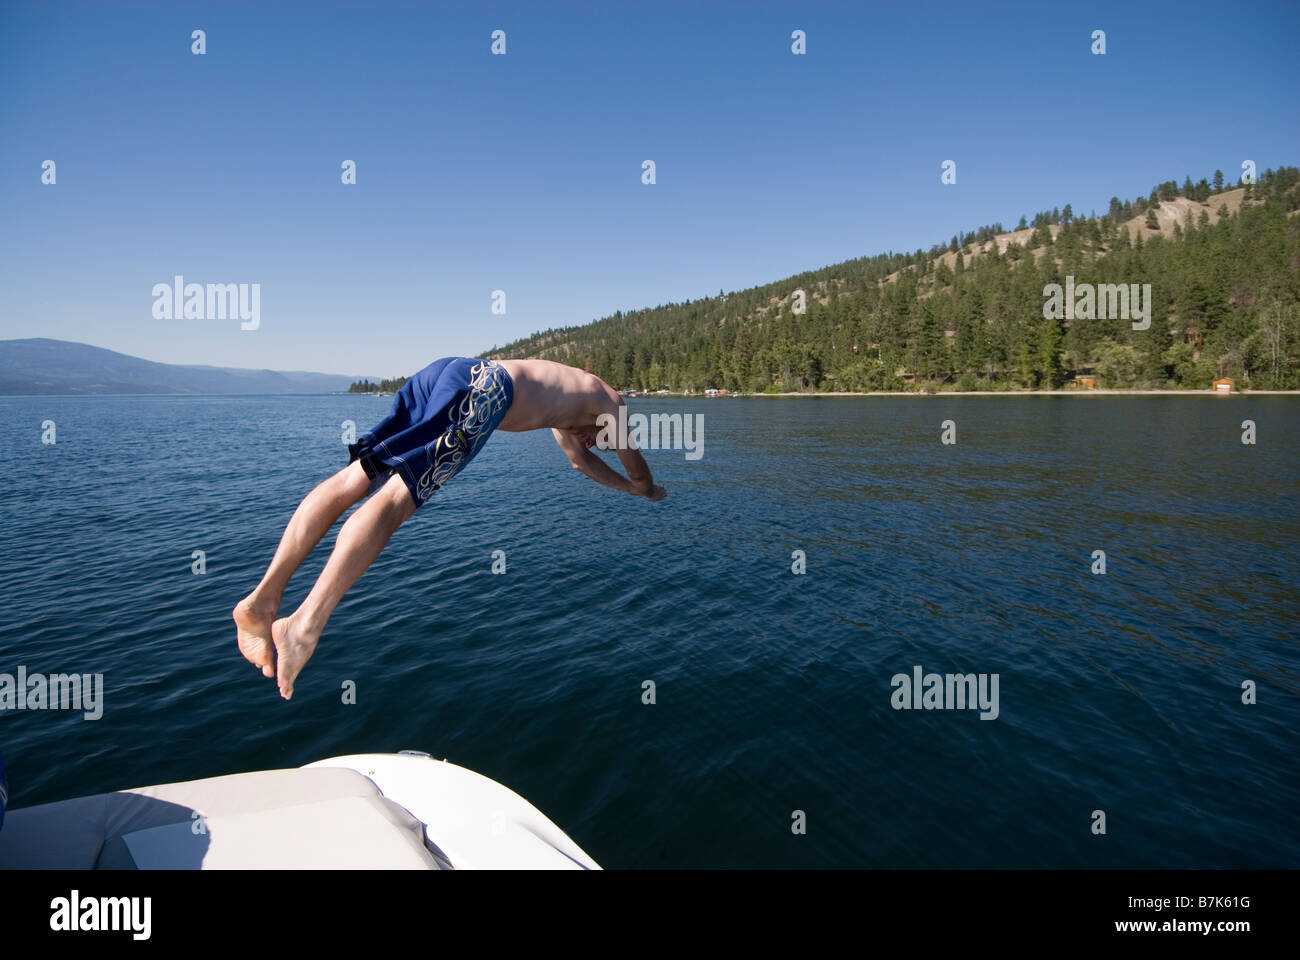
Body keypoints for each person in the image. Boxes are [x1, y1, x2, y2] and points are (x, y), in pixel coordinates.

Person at [233, 357, 666, 700]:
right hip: (486, 389)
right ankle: (304, 625)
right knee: (396, 500)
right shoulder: (608, 400)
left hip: (449, 371)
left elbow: (580, 462)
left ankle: (263, 600)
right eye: (600, 437)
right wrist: (644, 488)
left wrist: (626, 489)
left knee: (357, 477)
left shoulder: (568, 401)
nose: (596, 441)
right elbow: (632, 460)